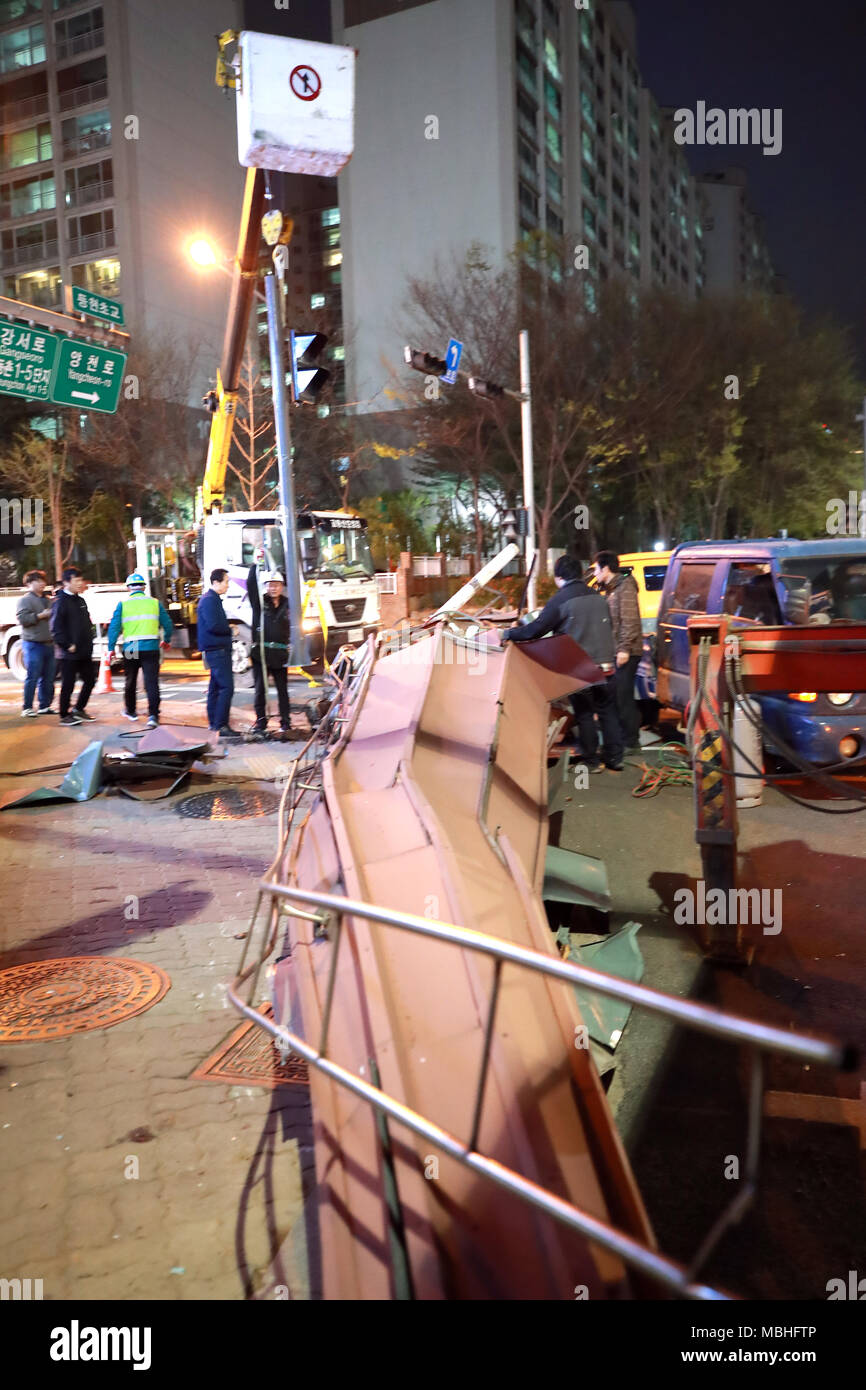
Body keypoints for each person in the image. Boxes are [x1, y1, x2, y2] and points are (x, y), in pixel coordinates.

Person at [502, 553, 623, 772]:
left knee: (585, 713)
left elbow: (536, 629)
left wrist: (508, 633)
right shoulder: (598, 596)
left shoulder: (561, 599)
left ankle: (592, 761)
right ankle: (615, 758)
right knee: (607, 710)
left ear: (559, 577)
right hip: (606, 664)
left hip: (580, 667)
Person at [107, 572, 174, 729]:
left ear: (129, 588)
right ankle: (153, 716)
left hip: (131, 647)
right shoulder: (154, 603)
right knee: (151, 682)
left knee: (130, 680)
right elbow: (168, 624)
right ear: (144, 587)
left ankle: (131, 711)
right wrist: (167, 640)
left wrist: (111, 647)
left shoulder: (123, 604)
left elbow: (114, 628)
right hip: (151, 646)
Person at [594, 550, 643, 754]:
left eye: (596, 569)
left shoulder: (625, 586)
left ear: (606, 568)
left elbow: (630, 621)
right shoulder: (611, 588)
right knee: (615, 695)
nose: (595, 573)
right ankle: (621, 738)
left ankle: (631, 741)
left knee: (623, 695)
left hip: (628, 652)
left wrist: (623, 649)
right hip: (617, 650)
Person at [247, 561, 291, 735]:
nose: (273, 588)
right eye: (270, 585)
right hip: (262, 654)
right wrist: (254, 566)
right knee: (260, 689)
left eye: (277, 585)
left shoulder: (288, 604)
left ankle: (286, 721)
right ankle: (261, 722)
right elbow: (251, 586)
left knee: (282, 690)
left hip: (280, 654)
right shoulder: (259, 603)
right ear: (266, 587)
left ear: (282, 587)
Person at [51, 567, 96, 726]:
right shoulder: (60, 602)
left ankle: (78, 709)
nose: (80, 583)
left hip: (84, 651)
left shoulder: (80, 600)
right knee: (68, 685)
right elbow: (55, 629)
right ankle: (64, 715)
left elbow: (87, 623)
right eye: (76, 581)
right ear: (66, 582)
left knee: (90, 680)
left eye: (80, 580)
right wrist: (67, 645)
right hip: (68, 653)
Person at [197, 568, 237, 737]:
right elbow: (214, 625)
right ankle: (221, 725)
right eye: (226, 581)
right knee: (227, 687)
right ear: (216, 582)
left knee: (215, 687)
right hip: (217, 649)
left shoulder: (212, 599)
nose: (228, 585)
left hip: (216, 649)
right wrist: (230, 629)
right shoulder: (209, 600)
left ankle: (215, 723)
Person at [17, 569, 55, 717]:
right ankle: (27, 707)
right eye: (38, 581)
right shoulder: (25, 600)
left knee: (49, 677)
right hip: (33, 644)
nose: (42, 584)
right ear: (29, 583)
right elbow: (23, 619)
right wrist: (40, 616)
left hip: (49, 643)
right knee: (32, 676)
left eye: (43, 581)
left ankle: (44, 706)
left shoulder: (48, 599)